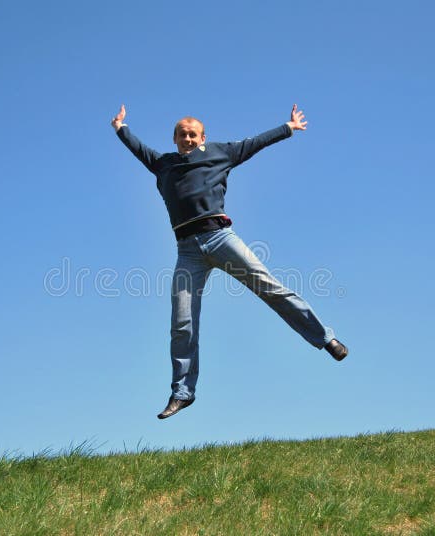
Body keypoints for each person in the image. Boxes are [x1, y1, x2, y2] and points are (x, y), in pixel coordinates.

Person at [111, 104, 348, 419]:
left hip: (221, 238)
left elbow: (254, 144)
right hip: (187, 251)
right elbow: (139, 150)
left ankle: (325, 338)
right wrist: (121, 129)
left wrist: (288, 127)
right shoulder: (163, 164)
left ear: (203, 137)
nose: (188, 139)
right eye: (182, 135)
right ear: (174, 138)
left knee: (269, 288)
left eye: (193, 135)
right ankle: (182, 392)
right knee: (182, 322)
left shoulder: (220, 153)